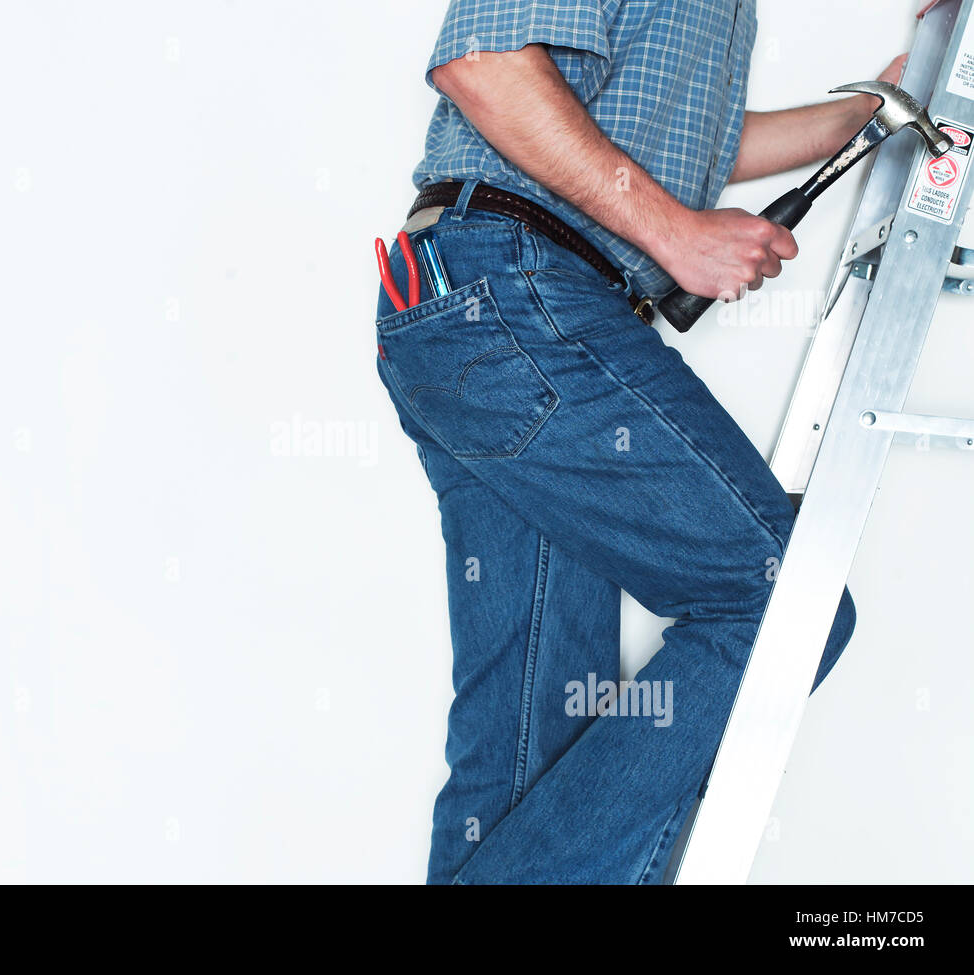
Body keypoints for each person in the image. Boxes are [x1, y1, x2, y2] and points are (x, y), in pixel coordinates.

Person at [374, 0, 913, 884]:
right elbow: (485, 66)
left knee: (526, 751)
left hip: (481, 314)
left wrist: (863, 117)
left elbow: (664, 137)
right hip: (512, 293)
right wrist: (678, 234)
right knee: (783, 604)